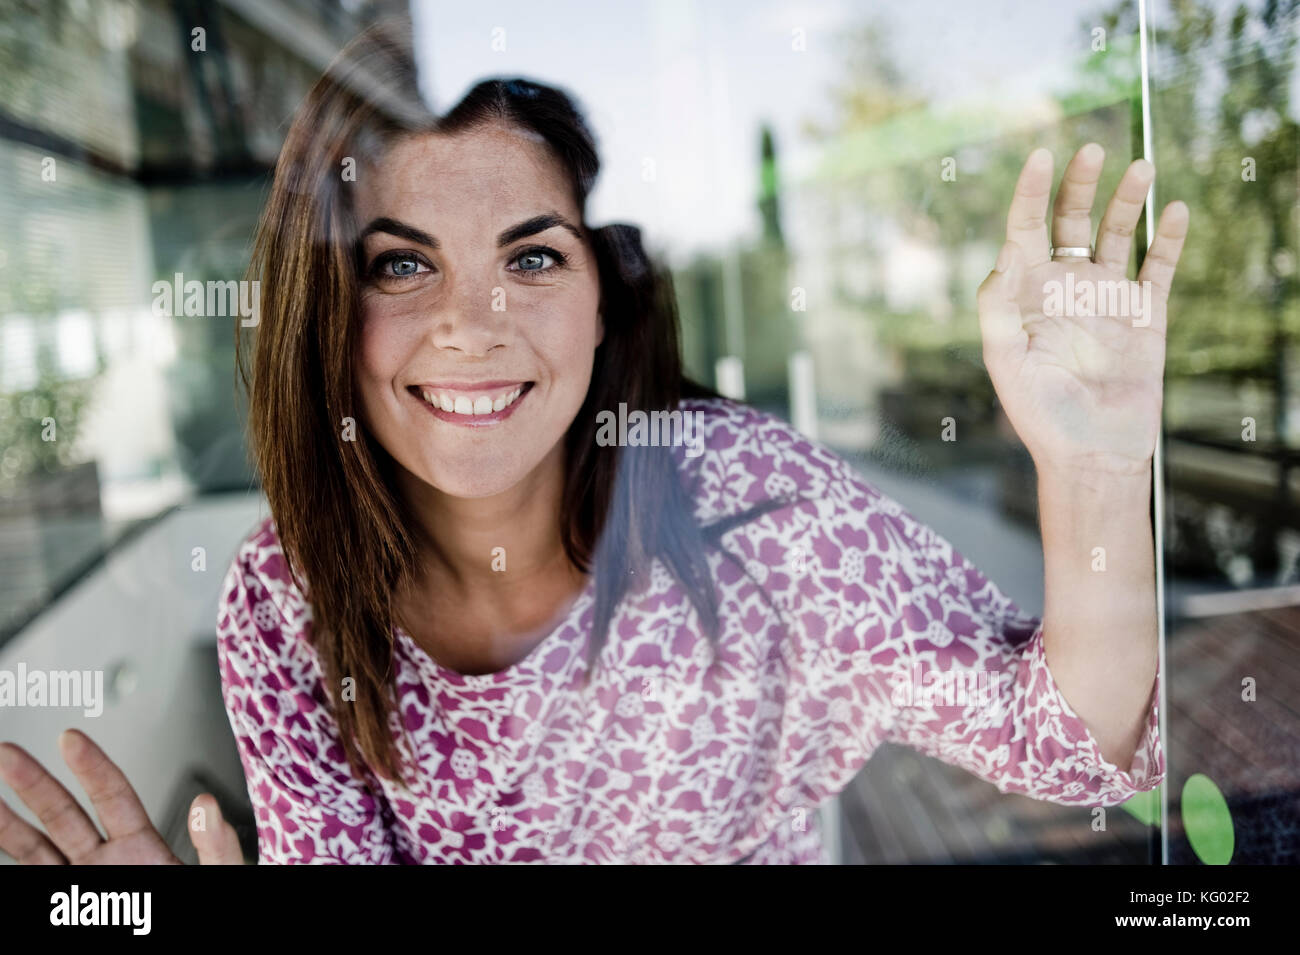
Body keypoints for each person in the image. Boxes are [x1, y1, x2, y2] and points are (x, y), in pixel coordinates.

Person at [0, 18, 1187, 865]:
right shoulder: (285, 594)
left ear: (601, 296)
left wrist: (1091, 476)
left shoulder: (744, 506)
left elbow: (1072, 745)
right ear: (329, 315)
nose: (474, 323)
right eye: (402, 264)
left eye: (531, 257)